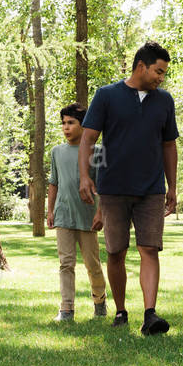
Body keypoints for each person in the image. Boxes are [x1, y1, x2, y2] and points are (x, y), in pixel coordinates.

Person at [79, 41, 179, 335]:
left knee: (149, 249)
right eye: (158, 71)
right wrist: (86, 177)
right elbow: (88, 139)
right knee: (116, 252)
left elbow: (169, 144)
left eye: (163, 73)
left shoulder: (164, 101)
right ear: (141, 66)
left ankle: (150, 314)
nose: (161, 78)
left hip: (151, 189)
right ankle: (121, 311)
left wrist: (172, 185)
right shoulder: (107, 95)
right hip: (113, 190)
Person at [47, 103, 107, 323]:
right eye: (63, 123)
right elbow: (53, 183)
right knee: (66, 263)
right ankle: (66, 309)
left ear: (83, 125)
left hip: (88, 217)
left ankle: (100, 302)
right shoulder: (56, 151)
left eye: (71, 122)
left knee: (92, 264)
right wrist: (50, 210)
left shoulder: (98, 151)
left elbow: (103, 185)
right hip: (64, 215)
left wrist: (100, 212)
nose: (66, 127)